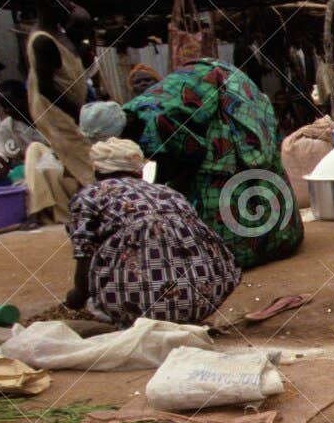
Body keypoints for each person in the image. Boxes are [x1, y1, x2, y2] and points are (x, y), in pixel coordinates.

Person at [122, 58, 303, 270]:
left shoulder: (167, 110)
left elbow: (187, 157)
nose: (143, 85)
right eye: (138, 82)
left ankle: (236, 250)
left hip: (226, 172)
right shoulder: (155, 110)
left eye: (146, 80)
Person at [64, 138, 241, 328]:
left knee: (96, 300)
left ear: (97, 170)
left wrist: (78, 296)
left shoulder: (90, 196)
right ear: (139, 171)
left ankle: (136, 318)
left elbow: (85, 253)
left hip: (140, 308)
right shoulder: (168, 193)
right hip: (204, 300)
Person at [24, 0, 94, 221]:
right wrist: (78, 115)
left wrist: (86, 32)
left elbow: (83, 62)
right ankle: (92, 217)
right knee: (88, 164)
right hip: (57, 112)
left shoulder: (61, 34)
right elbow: (46, 88)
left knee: (77, 162)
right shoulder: (43, 40)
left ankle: (80, 212)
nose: (71, 4)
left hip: (72, 109)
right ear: (48, 2)